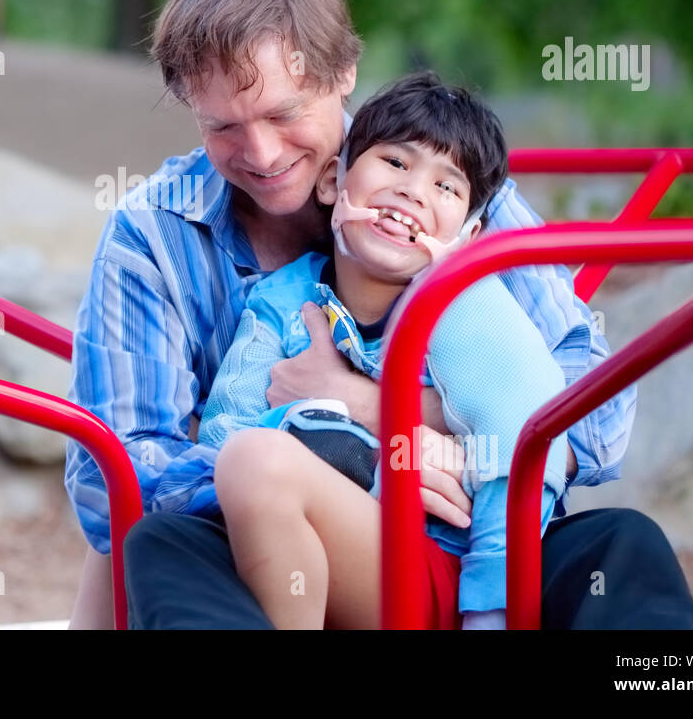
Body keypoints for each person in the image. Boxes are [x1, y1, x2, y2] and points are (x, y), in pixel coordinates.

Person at [64, 0, 693, 630]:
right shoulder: (155, 232)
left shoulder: (446, 189)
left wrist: (382, 412)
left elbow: (598, 415)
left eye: (283, 114)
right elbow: (112, 478)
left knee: (620, 544)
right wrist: (346, 464)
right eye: (222, 126)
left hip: (461, 536)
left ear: (344, 73)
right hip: (281, 535)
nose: (262, 154)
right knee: (162, 546)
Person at [200, 73, 571, 629]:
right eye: (395, 163)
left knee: (261, 461)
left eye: (446, 187)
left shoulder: (468, 311)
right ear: (333, 182)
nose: (413, 191)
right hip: (312, 554)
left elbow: (519, 449)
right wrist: (356, 455)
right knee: (215, 483)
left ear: (468, 239)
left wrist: (491, 614)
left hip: (440, 568)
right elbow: (225, 434)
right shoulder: (282, 302)